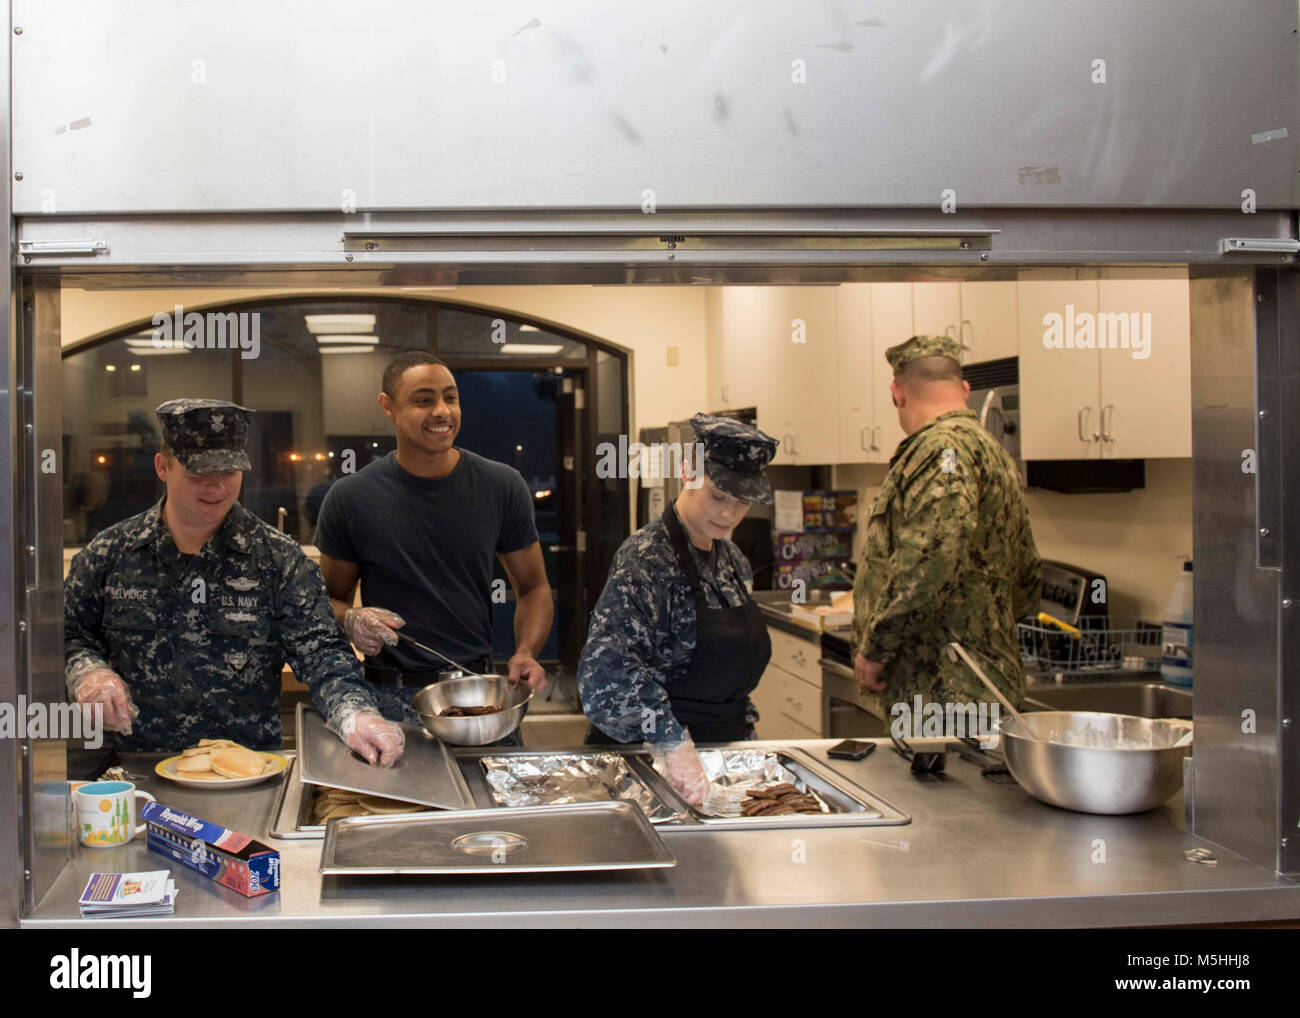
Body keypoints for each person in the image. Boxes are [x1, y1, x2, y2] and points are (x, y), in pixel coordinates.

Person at [64, 399, 406, 765]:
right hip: (136, 770)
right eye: (200, 471)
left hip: (246, 773)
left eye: (229, 470)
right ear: (163, 467)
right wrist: (87, 671)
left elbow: (322, 653)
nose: (216, 485)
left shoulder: (277, 559)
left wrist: (356, 713)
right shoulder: (111, 553)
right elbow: (69, 635)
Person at [314, 352, 552, 738]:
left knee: (493, 798)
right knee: (395, 802)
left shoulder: (501, 486)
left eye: (450, 398)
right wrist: (351, 618)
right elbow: (328, 599)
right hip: (390, 700)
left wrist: (525, 651)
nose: (442, 411)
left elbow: (534, 587)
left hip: (478, 693)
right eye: (424, 400)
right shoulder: (351, 497)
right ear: (387, 407)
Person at [578, 414, 778, 806]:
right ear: (688, 471)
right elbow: (606, 676)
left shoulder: (733, 561)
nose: (728, 515)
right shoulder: (646, 558)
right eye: (718, 496)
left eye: (743, 503)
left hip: (718, 761)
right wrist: (673, 745)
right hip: (648, 763)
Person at [852, 335, 1042, 713]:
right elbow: (1028, 575)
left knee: (941, 774)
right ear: (965, 390)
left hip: (943, 691)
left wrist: (877, 648)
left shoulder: (942, 451)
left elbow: (930, 559)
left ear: (897, 394)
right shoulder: (993, 452)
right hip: (979, 681)